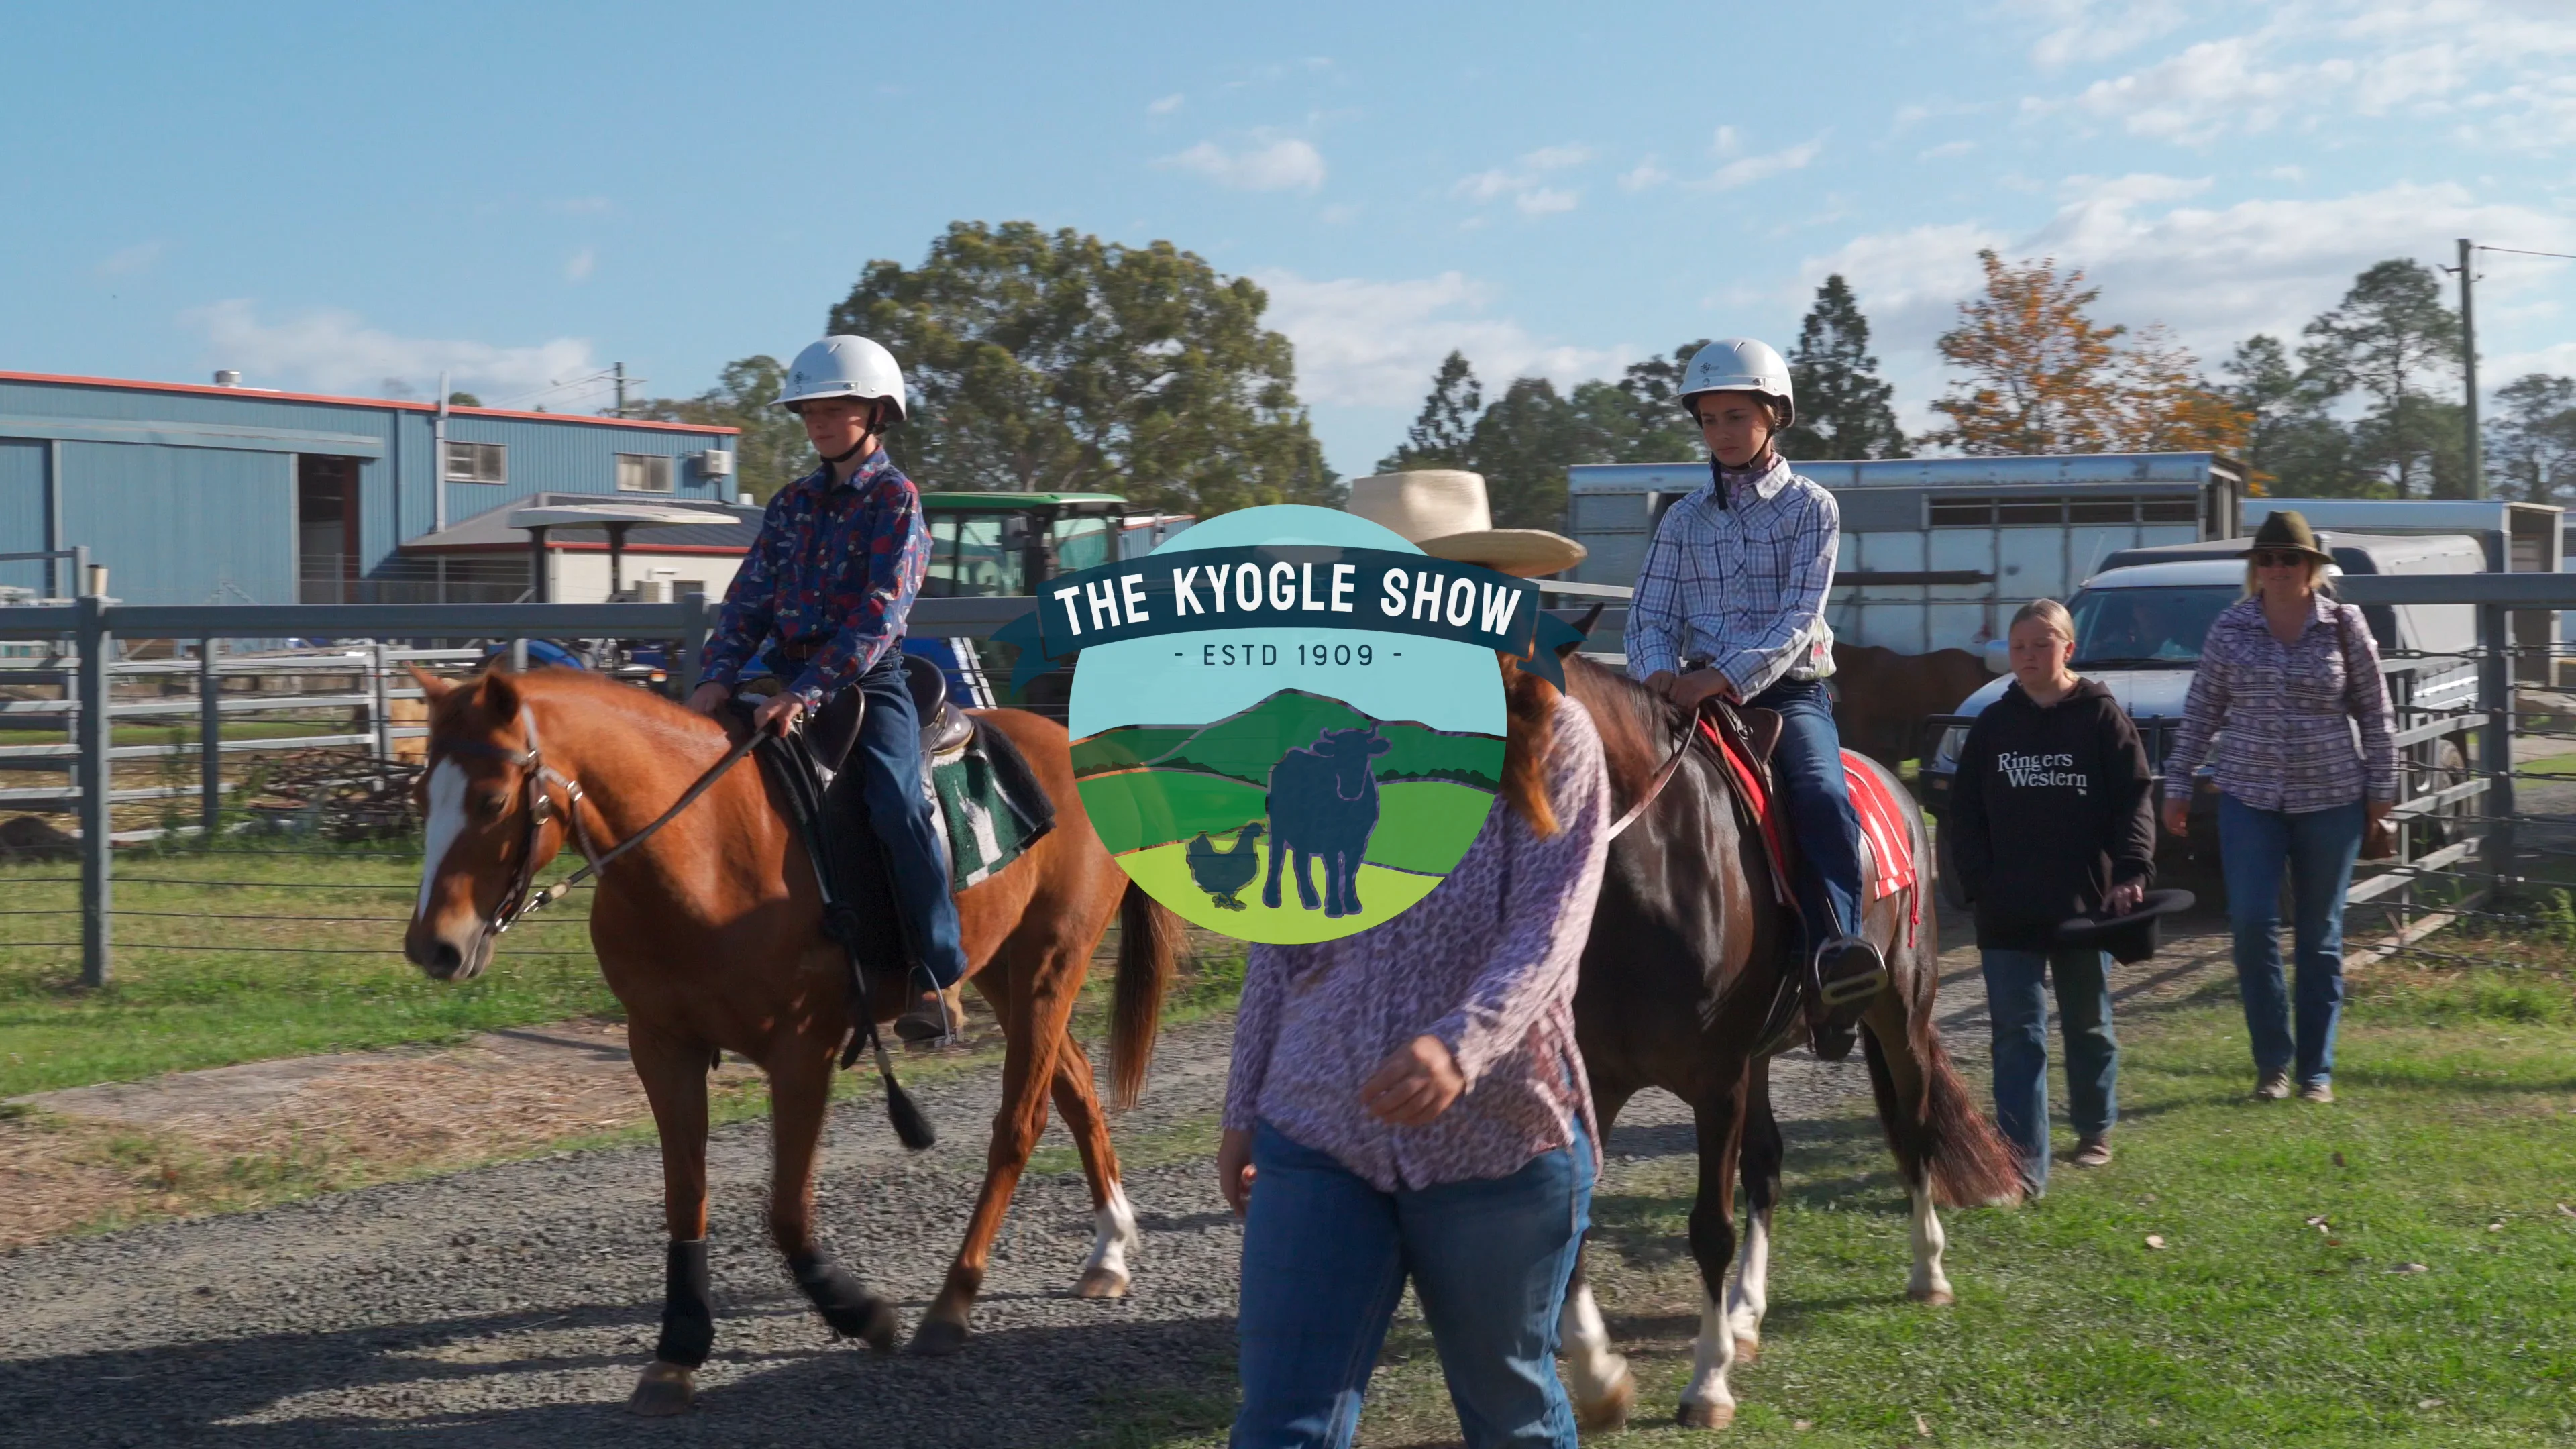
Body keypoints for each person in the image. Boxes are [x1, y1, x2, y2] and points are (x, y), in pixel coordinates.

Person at [1220, 481, 1607, 1449]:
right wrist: (1243, 1106)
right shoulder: (1315, 742)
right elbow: (1283, 937)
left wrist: (1457, 1047)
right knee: (1281, 1422)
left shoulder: (1556, 734)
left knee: (1507, 1411)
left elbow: (1550, 931)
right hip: (1317, 1124)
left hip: (1500, 1134)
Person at [687, 335, 967, 1024]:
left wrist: (805, 692)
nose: (817, 422)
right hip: (781, 675)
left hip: (868, 681)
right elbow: (750, 596)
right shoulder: (790, 505)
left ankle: (937, 972)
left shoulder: (896, 501)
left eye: (834, 410)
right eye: (808, 411)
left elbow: (881, 613)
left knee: (900, 805)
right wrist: (718, 677)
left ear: (876, 414)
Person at [1625, 337, 1882, 1056]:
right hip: (1685, 698)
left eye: (1736, 416)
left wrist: (1723, 677)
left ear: (1775, 415)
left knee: (1823, 797)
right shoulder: (1681, 520)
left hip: (1785, 695)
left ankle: (1839, 956)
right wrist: (1655, 676)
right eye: (1708, 420)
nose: (1721, 433)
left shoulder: (1812, 510)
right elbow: (1649, 616)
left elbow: (1799, 620)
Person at [2161, 511, 2395, 1104]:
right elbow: (2202, 709)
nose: (2276, 568)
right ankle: (2274, 1064)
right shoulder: (2231, 627)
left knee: (2319, 934)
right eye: (2266, 559)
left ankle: (2318, 1070)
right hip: (2249, 796)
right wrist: (2178, 784)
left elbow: (2376, 710)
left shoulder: (2344, 625)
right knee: (2251, 926)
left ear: (2312, 566)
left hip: (2332, 798)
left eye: (2289, 558)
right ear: (2254, 568)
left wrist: (2382, 791)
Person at [1947, 599, 2154, 1195]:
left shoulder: (2101, 719)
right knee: (2017, 1035)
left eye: (2042, 645)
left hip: (2084, 906)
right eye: (2019, 647)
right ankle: (2021, 1165)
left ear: (2069, 648)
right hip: (2008, 909)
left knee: (2088, 1023)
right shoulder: (1993, 725)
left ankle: (2094, 1127)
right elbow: (1965, 814)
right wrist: (1978, 880)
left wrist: (2132, 871)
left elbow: (2134, 802)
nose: (2029, 657)